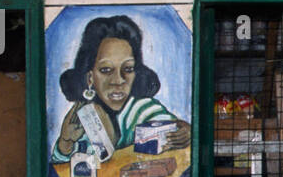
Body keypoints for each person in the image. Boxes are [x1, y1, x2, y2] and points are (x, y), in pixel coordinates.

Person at [51, 15, 191, 165]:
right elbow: (61, 170)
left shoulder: (143, 109)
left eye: (128, 69)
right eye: (106, 70)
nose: (118, 80)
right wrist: (65, 144)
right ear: (90, 78)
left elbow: (169, 133)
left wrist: (183, 130)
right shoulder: (84, 116)